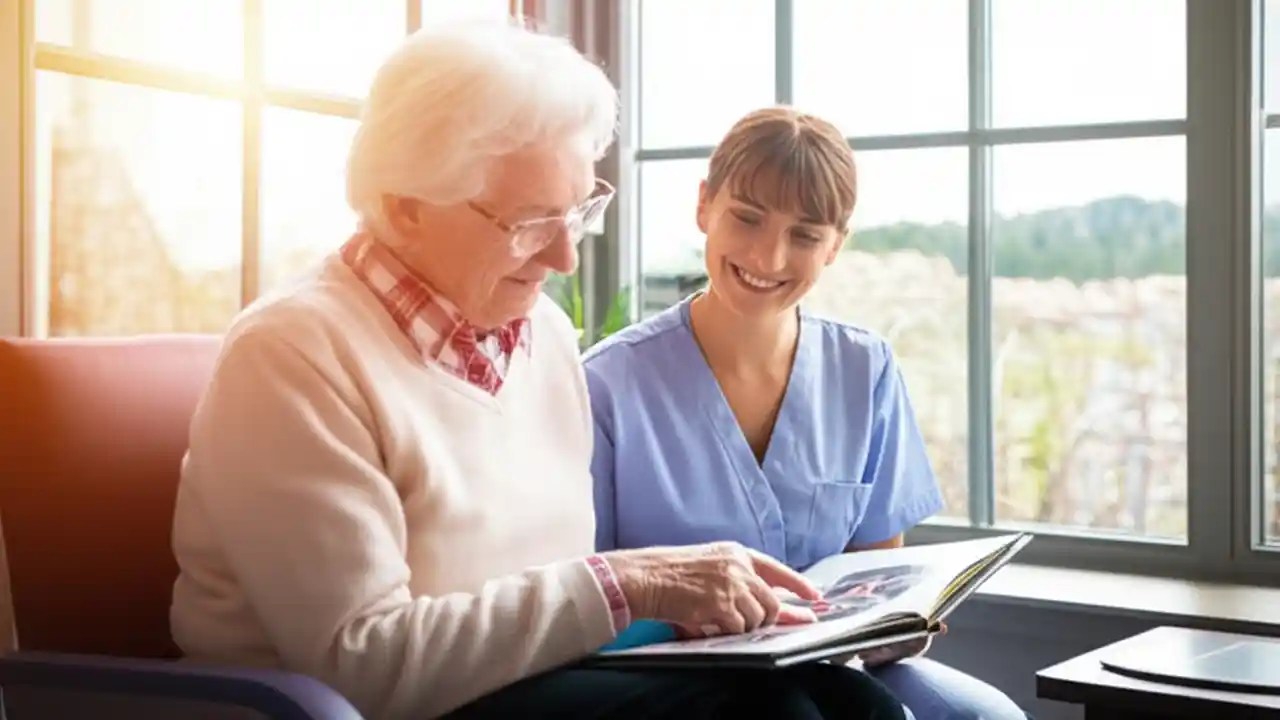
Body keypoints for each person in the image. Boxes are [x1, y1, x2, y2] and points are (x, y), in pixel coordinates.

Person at [168, 19, 914, 720]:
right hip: (381, 707)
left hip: (535, 681)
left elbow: (554, 596)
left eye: (576, 211)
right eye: (529, 223)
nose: (565, 257)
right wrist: (630, 584)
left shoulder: (543, 334)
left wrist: (676, 615)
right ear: (403, 209)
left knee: (854, 703)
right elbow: (360, 665)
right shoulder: (293, 355)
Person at [584, 106, 1031, 720]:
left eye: (805, 235)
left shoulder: (864, 370)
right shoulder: (608, 383)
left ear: (836, 246)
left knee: (988, 716)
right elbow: (585, 601)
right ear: (704, 206)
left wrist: (896, 626)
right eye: (747, 219)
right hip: (672, 677)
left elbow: (879, 572)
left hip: (826, 666)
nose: (769, 258)